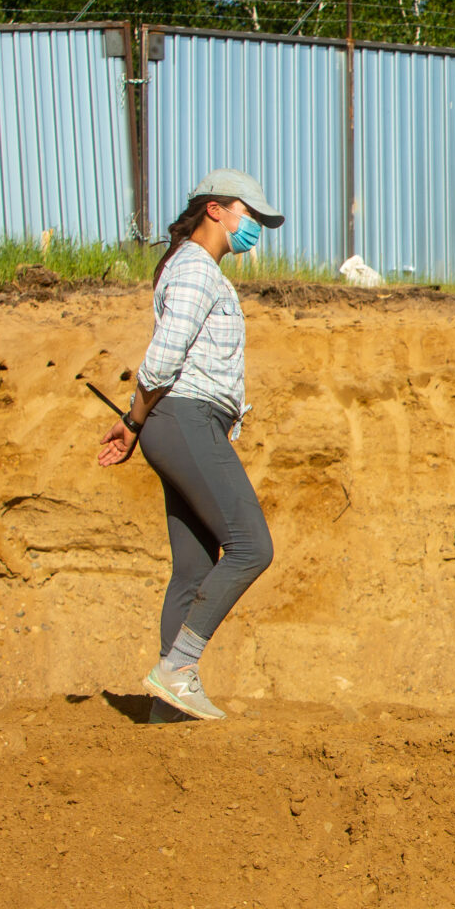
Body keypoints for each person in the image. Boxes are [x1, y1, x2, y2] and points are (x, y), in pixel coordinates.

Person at [98, 169, 285, 722]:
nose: (256, 228)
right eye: (250, 216)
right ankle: (178, 668)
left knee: (193, 567)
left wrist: (143, 425)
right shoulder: (196, 271)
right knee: (253, 547)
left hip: (184, 421)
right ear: (216, 211)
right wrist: (133, 423)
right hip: (184, 418)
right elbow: (164, 356)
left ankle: (169, 712)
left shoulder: (197, 271)